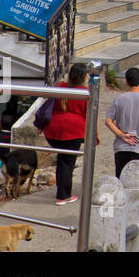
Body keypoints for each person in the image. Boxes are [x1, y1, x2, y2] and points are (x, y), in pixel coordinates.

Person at [43, 62, 98, 205]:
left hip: (53, 130)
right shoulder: (85, 92)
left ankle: (61, 190)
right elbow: (90, 116)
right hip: (73, 132)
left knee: (63, 160)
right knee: (67, 163)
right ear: (84, 76)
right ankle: (63, 195)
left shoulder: (60, 87)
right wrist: (95, 134)